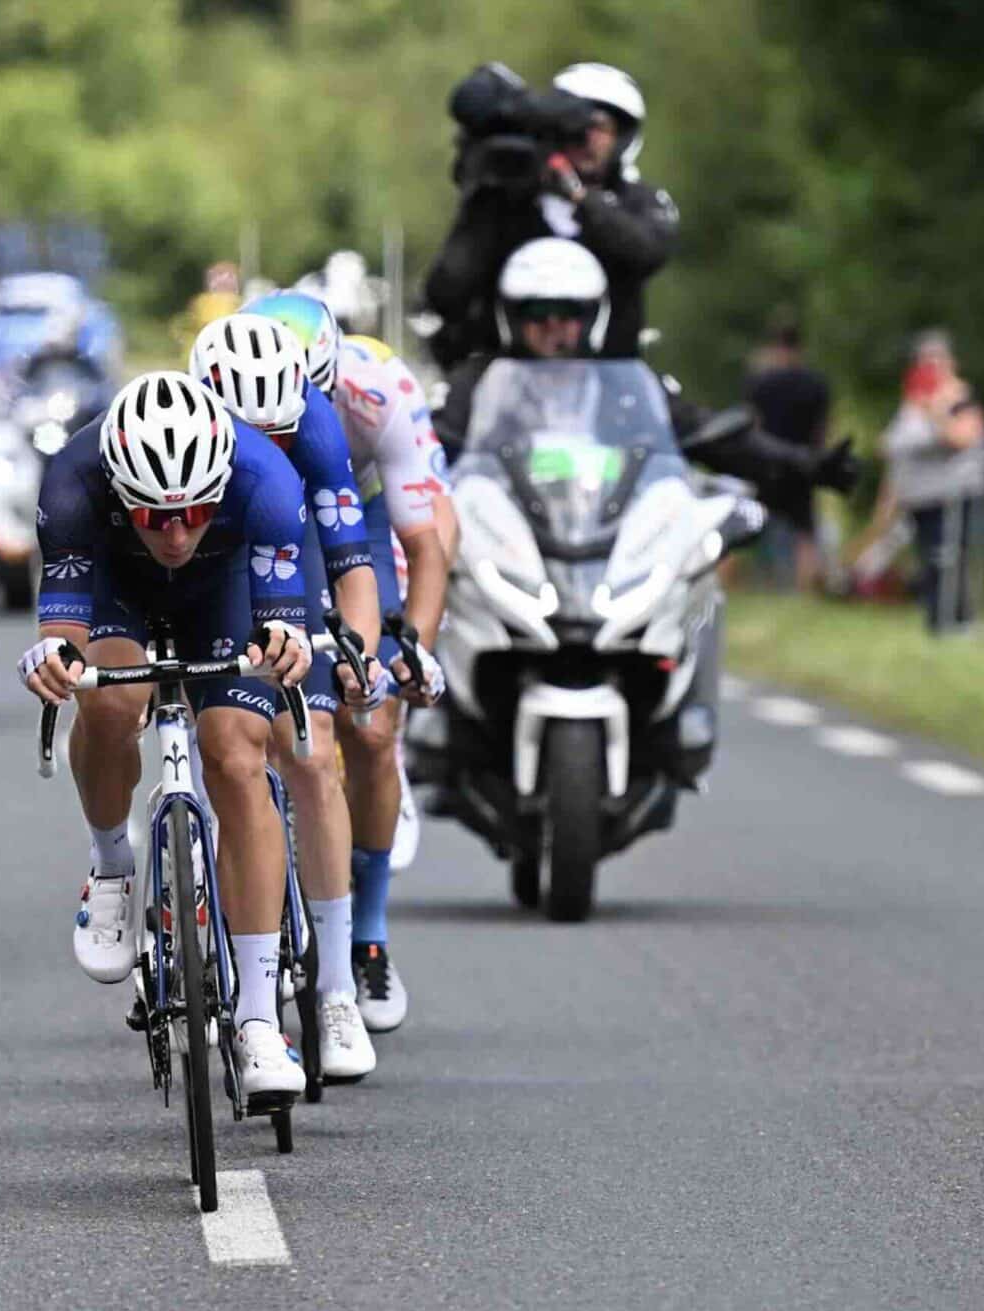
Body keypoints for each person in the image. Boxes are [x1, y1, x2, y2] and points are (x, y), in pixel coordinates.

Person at [21, 370, 383, 1102]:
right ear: (121, 490)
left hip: (228, 593)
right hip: (120, 588)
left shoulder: (266, 479)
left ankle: (255, 1018)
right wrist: (53, 661)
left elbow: (281, 618)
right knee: (110, 705)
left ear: (219, 480)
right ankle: (113, 861)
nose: (178, 533)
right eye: (157, 517)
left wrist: (288, 645)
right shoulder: (73, 479)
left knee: (238, 754)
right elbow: (64, 634)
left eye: (193, 512)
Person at [231, 294, 456, 1040]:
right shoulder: (220, 387)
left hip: (367, 509)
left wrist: (407, 652)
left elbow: (427, 545)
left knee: (370, 718)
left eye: (305, 400)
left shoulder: (376, 391)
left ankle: (370, 936)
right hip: (262, 514)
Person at [185, 314, 397, 1077]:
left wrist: (359, 655)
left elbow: (350, 563)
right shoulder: (175, 425)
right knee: (218, 741)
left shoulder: (311, 427)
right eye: (251, 435)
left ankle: (336, 989)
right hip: (199, 559)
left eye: (277, 435)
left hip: (284, 555)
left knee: (312, 755)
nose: (264, 452)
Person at [434, 240, 862, 503]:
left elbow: (704, 431)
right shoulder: (477, 383)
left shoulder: (622, 386)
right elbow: (427, 446)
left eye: (568, 312)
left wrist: (807, 464)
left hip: (607, 549)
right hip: (504, 546)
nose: (553, 325)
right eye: (537, 311)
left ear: (591, 316)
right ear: (510, 314)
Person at [424, 63, 678, 368]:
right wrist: (485, 196)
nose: (587, 139)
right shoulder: (512, 201)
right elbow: (447, 290)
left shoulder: (639, 200)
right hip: (510, 388)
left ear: (621, 137)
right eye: (575, 127)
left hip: (610, 387)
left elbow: (646, 251)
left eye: (599, 127)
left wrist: (578, 196)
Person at [877, 332, 984, 632]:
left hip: (952, 495)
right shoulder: (912, 404)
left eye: (937, 359)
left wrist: (936, 413)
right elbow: (890, 445)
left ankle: (955, 619)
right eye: (925, 360)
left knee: (949, 558)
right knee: (931, 560)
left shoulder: (959, 398)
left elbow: (965, 437)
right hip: (920, 497)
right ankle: (940, 618)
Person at [745, 315, 834, 592]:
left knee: (748, 521)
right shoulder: (816, 383)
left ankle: (733, 585)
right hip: (802, 461)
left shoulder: (761, 383)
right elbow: (824, 428)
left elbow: (752, 424)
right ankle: (805, 590)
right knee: (804, 533)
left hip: (766, 460)